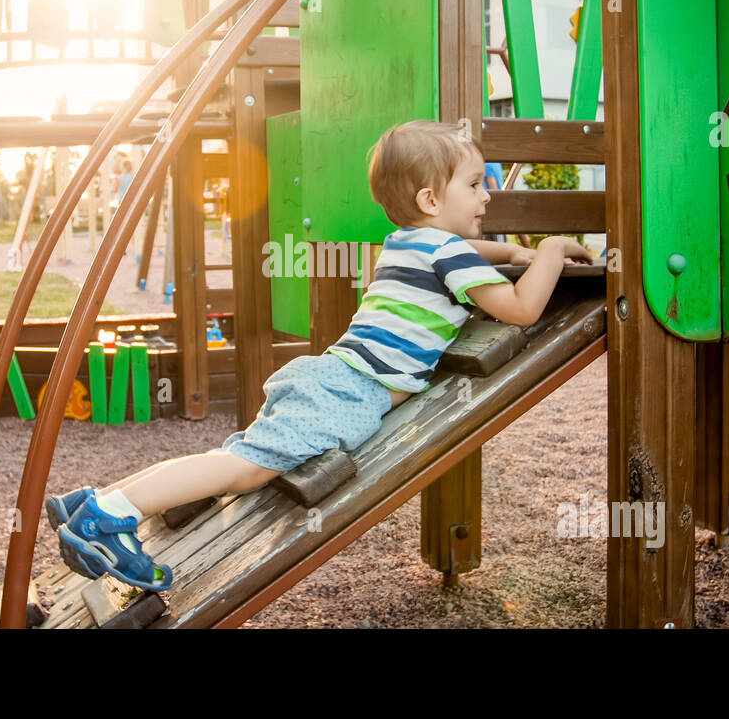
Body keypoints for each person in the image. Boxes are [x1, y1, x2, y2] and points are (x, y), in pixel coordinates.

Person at [49, 120, 595, 591]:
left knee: (237, 460)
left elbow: (473, 251)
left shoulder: (407, 241)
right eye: (475, 185)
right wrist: (548, 248)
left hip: (330, 375)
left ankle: (99, 499)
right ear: (431, 200)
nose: (487, 196)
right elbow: (522, 309)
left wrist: (512, 250)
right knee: (241, 469)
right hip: (350, 389)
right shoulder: (448, 252)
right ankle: (109, 515)